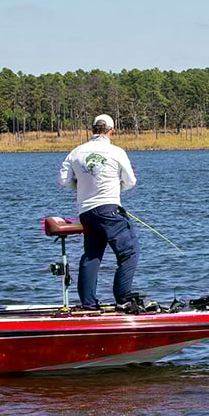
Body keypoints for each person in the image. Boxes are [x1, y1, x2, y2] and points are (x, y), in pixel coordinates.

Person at [57, 114, 138, 310]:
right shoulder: (116, 152)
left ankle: (88, 304)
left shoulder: (76, 152)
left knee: (92, 255)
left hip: (86, 212)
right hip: (109, 211)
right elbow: (130, 181)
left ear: (92, 129)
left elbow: (63, 180)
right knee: (129, 252)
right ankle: (124, 299)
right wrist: (116, 191)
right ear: (112, 130)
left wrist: (79, 186)